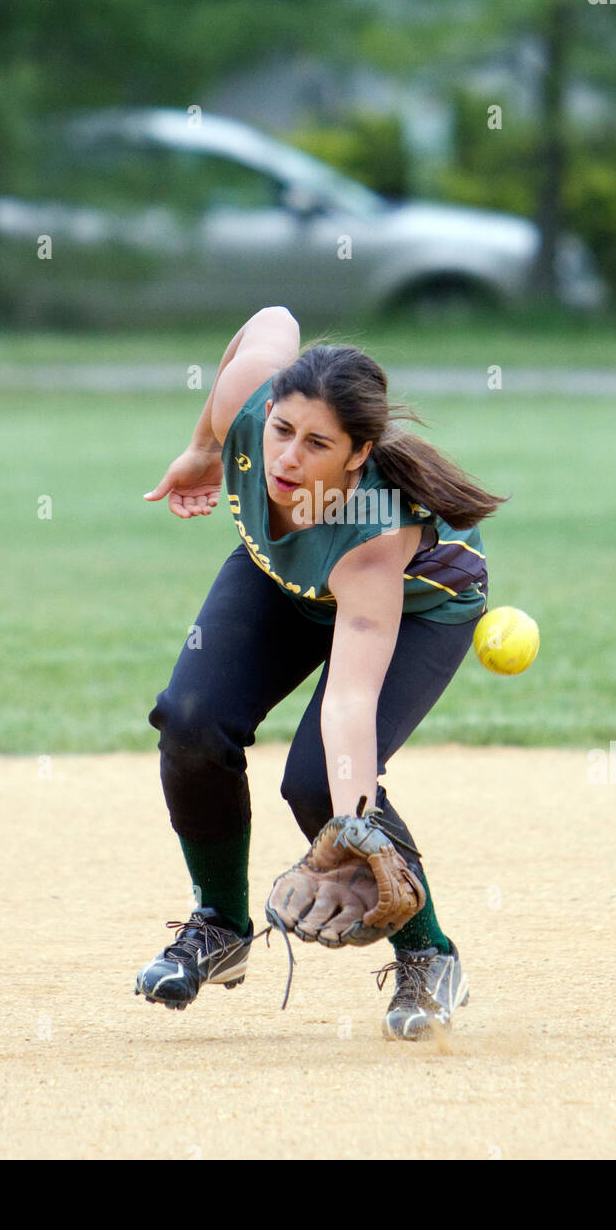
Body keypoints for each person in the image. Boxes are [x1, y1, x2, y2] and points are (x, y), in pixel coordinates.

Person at [134, 306, 508, 1039]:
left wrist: (353, 831)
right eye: (281, 430)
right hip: (282, 577)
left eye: (317, 444)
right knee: (189, 720)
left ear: (358, 453)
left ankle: (429, 956)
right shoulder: (248, 402)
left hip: (418, 608)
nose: (287, 458)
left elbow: (350, 701)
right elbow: (272, 317)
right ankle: (220, 927)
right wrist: (203, 444)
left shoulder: (375, 531)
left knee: (316, 780)